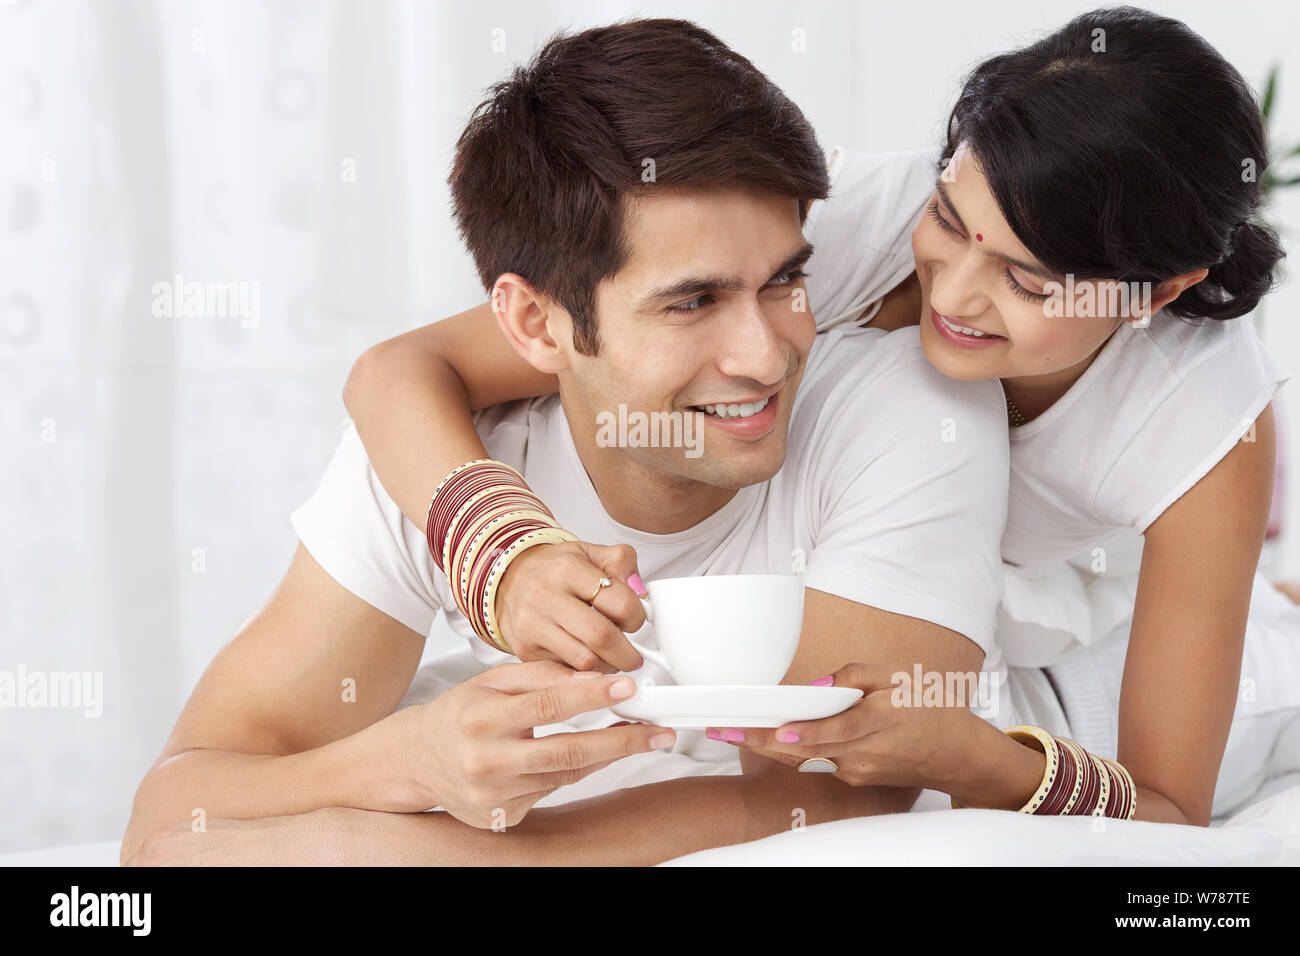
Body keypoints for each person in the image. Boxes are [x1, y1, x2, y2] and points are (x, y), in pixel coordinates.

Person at [341, 7, 1300, 827]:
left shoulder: (1205, 421)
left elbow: (1168, 809)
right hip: (953, 596)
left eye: (1028, 281)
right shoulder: (841, 229)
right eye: (950, 221)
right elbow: (402, 370)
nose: (954, 294)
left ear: (1156, 292)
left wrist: (976, 757)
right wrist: (508, 554)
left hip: (1096, 621)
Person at [121, 18, 1013, 867]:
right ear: (534, 324)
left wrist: (426, 853)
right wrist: (408, 764)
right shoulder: (449, 455)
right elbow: (172, 812)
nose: (767, 355)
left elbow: (831, 797)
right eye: (693, 301)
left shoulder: (909, 412)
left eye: (785, 280)